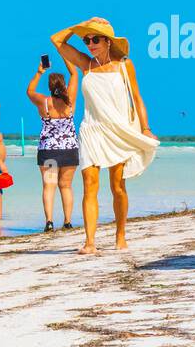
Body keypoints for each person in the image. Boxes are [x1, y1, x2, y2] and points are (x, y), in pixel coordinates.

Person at [51, 17, 158, 254]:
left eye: (95, 39)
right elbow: (56, 40)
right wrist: (82, 25)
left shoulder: (124, 65)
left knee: (117, 186)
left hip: (116, 130)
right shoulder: (85, 65)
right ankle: (90, 242)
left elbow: (137, 99)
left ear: (108, 42)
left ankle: (120, 235)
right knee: (89, 184)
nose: (90, 44)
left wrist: (145, 127)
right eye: (87, 39)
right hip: (91, 129)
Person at [27, 58, 80, 232]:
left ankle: (49, 222)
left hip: (48, 151)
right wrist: (65, 54)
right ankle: (67, 222)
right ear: (63, 85)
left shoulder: (43, 102)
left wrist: (39, 72)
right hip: (69, 150)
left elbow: (29, 91)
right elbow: (75, 73)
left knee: (49, 186)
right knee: (66, 186)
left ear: (50, 87)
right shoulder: (69, 101)